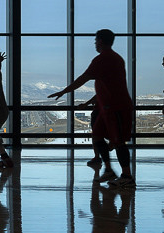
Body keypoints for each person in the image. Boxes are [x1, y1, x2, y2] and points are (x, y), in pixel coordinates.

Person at [48, 29, 135, 188]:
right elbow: (108, 86)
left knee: (118, 141)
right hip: (107, 107)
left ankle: (127, 176)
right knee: (97, 137)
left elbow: (83, 78)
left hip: (115, 107)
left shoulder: (103, 59)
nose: (95, 43)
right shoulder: (116, 59)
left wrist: (64, 91)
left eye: (96, 40)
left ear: (100, 41)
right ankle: (109, 170)